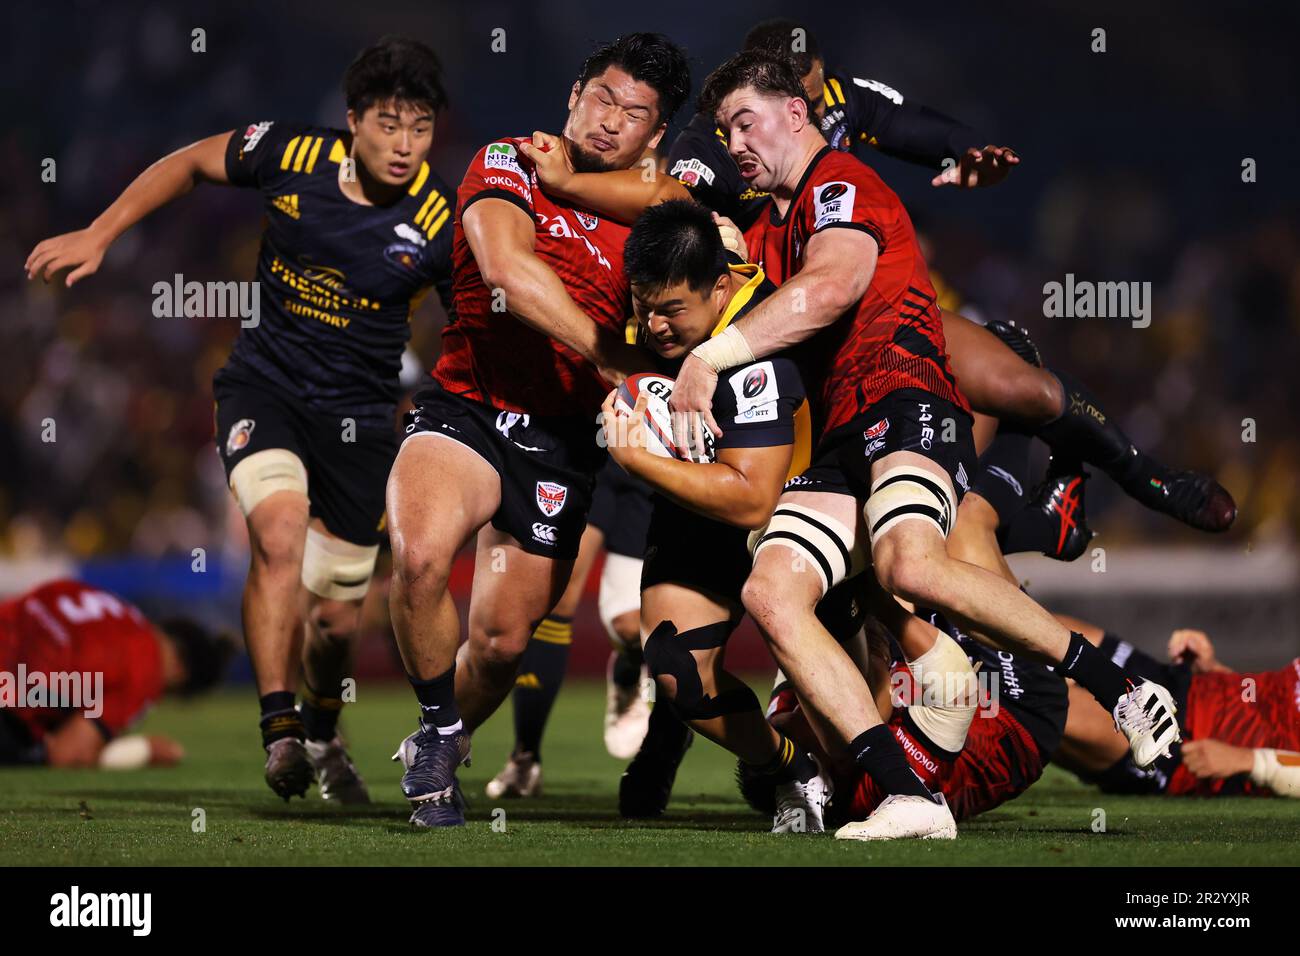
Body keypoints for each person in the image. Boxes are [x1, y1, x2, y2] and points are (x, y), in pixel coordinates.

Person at [670, 50, 1180, 841]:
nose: (734, 142)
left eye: (747, 120)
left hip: (908, 399)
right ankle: (909, 793)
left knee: (911, 564)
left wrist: (711, 356)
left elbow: (834, 285)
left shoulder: (839, 181)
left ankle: (1122, 689)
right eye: (724, 128)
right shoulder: (772, 226)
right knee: (771, 592)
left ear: (796, 114)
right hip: (847, 432)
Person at [24, 36, 457, 803]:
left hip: (359, 423)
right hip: (266, 389)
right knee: (279, 533)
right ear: (353, 120)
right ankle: (281, 732)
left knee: (334, 624)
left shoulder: (436, 217)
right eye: (389, 123)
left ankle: (324, 732)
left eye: (420, 127)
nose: (404, 144)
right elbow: (190, 161)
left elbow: (470, 326)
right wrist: (101, 232)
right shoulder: (288, 152)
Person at [386, 33, 689, 828]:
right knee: (417, 559)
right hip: (467, 408)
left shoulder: (660, 221)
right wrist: (609, 355)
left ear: (655, 136)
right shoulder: (507, 161)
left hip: (565, 440)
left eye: (634, 113)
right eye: (600, 98)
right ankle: (439, 735)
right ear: (572, 97)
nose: (609, 121)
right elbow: (505, 274)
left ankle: (443, 738)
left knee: (500, 645)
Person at [0, 579, 232, 769]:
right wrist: (142, 750)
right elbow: (67, 754)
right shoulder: (148, 668)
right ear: (181, 672)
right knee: (31, 751)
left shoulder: (99, 599)